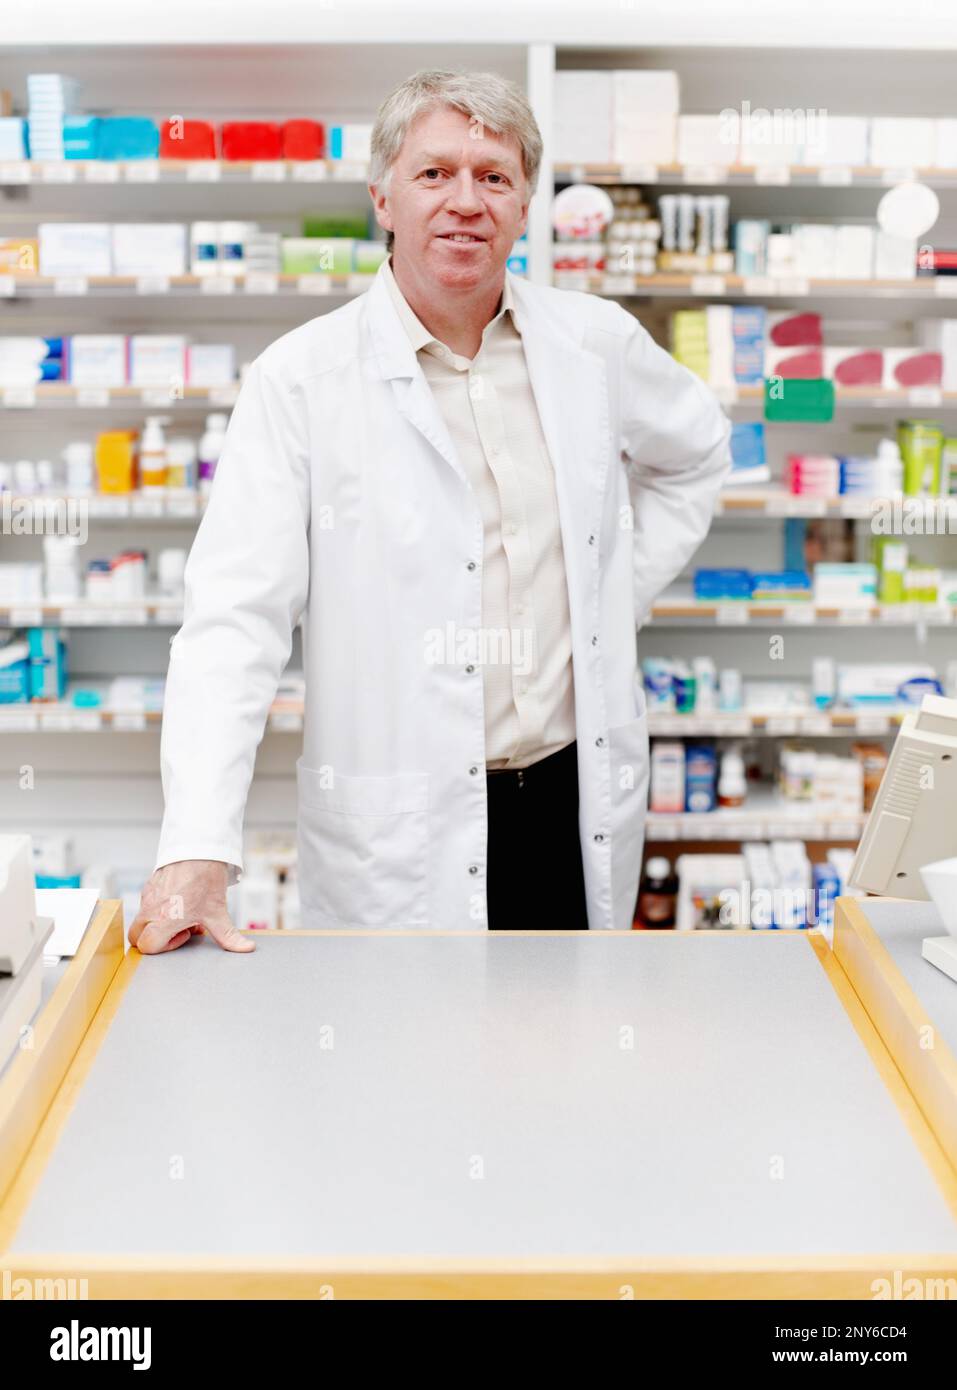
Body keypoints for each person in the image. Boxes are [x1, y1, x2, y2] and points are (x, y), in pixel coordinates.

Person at [129, 69, 730, 955]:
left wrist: (609, 600)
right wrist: (195, 845)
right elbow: (233, 624)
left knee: (568, 1069)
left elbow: (696, 455)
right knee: (398, 1077)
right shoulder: (299, 380)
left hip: (571, 800)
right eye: (434, 173)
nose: (465, 202)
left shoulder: (593, 342)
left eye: (494, 177)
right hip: (398, 827)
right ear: (382, 196)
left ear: (525, 205)